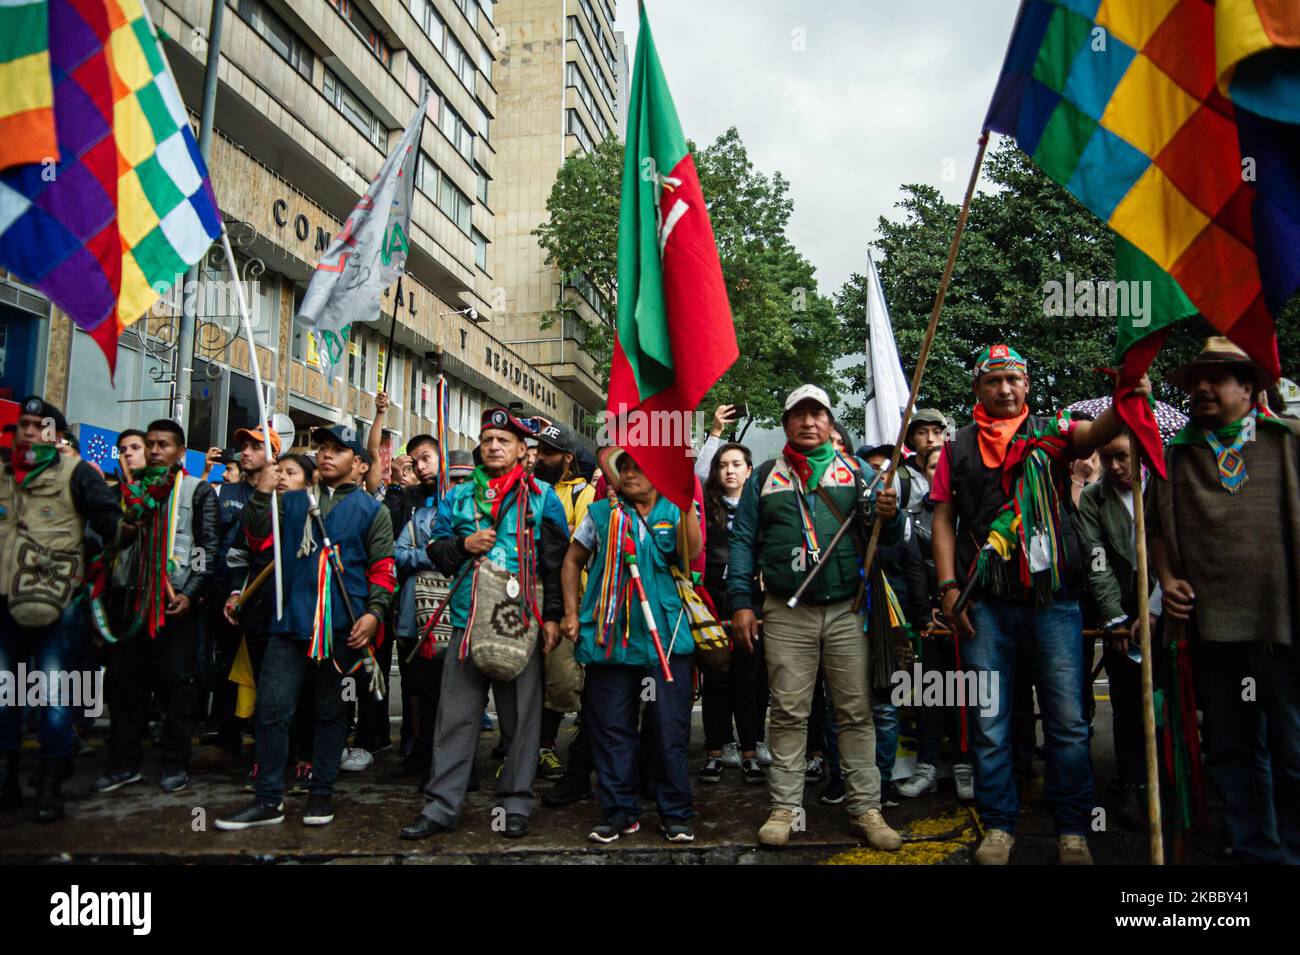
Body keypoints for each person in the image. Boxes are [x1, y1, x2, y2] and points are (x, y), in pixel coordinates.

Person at [931, 344, 1146, 865]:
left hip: (1054, 602)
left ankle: (1072, 829)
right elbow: (943, 520)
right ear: (978, 388)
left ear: (1027, 386)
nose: (1005, 389)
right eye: (994, 380)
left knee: (1069, 722)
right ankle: (999, 826)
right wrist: (949, 589)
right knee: (989, 720)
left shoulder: (1054, 433)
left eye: (1014, 380)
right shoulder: (955, 447)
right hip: (983, 605)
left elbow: (1097, 433)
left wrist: (1126, 390)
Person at [729, 384, 904, 850]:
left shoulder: (858, 472)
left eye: (817, 415)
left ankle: (866, 808)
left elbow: (889, 537)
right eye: (799, 415)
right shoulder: (764, 476)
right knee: (788, 711)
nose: (808, 423)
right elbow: (743, 541)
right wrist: (741, 603)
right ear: (787, 423)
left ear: (830, 423)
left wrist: (893, 511)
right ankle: (785, 808)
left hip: (849, 610)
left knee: (855, 711)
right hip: (786, 612)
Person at [1149, 337, 1300, 864]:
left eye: (1217, 378)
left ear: (1250, 387)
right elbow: (1155, 532)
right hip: (1209, 630)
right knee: (1231, 751)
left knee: (1293, 750)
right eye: (1196, 380)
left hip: (1281, 625)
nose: (1203, 388)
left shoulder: (1288, 442)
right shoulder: (1176, 454)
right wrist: (1166, 578)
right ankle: (1252, 848)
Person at [214, 424, 395, 829]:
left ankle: (321, 794)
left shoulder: (374, 511)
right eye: (323, 448)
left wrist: (374, 613)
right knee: (271, 709)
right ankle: (268, 800)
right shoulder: (294, 501)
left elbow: (384, 568)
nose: (327, 455)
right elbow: (257, 532)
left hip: (344, 627)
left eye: (338, 450)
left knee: (332, 713)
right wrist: (264, 486)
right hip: (291, 622)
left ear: (358, 462)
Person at [399, 408, 567, 841]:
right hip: (466, 619)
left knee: (520, 721)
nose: (494, 446)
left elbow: (554, 562)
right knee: (454, 718)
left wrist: (552, 618)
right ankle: (441, 807)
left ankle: (514, 803)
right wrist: (463, 544)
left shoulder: (544, 497)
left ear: (522, 451)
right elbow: (435, 550)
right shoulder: (457, 497)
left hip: (520, 620)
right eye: (488, 439)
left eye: (504, 441)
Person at [561, 448, 703, 842]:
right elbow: (572, 560)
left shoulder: (675, 510)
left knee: (666, 731)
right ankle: (619, 812)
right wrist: (571, 613)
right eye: (624, 467)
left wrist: (687, 501)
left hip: (664, 641)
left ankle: (675, 812)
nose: (630, 473)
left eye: (640, 466)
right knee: (610, 730)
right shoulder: (601, 514)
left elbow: (691, 553)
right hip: (608, 641)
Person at [0, 398, 121, 822]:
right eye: (25, 425)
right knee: (5, 693)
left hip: (58, 603)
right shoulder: (3, 474)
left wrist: (90, 568)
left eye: (41, 425)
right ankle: (7, 777)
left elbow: (112, 525)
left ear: (57, 434)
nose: (30, 432)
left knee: (53, 694)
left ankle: (50, 783)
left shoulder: (78, 475)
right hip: (4, 603)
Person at [96, 419, 221, 796]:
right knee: (124, 689)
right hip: (130, 604)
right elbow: (102, 547)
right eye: (149, 444)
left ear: (180, 452)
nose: (153, 451)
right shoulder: (125, 492)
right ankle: (123, 764)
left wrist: (191, 592)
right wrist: (122, 532)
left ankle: (173, 763)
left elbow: (205, 549)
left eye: (163, 445)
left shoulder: (197, 492)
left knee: (177, 688)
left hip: (173, 607)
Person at [1075, 430, 1161, 830]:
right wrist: (1115, 617)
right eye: (1106, 458)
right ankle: (1129, 781)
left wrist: (1155, 607)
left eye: (1123, 457)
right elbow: (1097, 560)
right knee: (1126, 701)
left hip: (1166, 607)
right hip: (1121, 616)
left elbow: (1176, 549)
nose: (1113, 467)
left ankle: (1166, 780)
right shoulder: (1094, 498)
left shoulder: (1162, 484)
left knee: (1168, 699)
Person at [897, 444, 974, 801]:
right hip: (930, 616)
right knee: (930, 692)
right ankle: (927, 765)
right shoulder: (912, 516)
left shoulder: (974, 512)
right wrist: (924, 612)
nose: (938, 471)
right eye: (931, 466)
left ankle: (965, 765)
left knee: (970, 691)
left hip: (973, 616)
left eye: (945, 465)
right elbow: (912, 568)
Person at [699, 442, 768, 785]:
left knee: (749, 676)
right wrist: (713, 434)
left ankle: (751, 749)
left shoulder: (761, 508)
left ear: (749, 471)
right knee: (715, 675)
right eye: (723, 464)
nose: (729, 471)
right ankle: (716, 747)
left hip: (751, 601)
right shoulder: (705, 507)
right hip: (712, 600)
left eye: (737, 464)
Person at [532, 422, 596, 781]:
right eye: (538, 451)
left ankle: (572, 752)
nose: (540, 458)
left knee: (570, 680)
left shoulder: (585, 495)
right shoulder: (530, 491)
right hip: (535, 600)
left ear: (568, 458)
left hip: (578, 603)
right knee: (543, 680)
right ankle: (537, 748)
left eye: (548, 453)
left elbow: (577, 551)